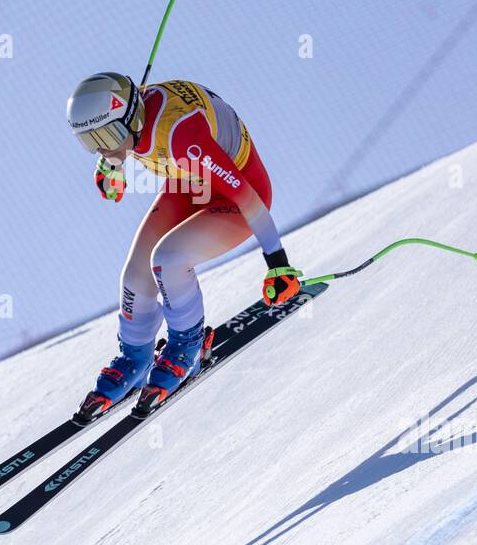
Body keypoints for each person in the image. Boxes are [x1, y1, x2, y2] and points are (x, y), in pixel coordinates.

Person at [65, 71, 302, 420]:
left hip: (237, 199)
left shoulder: (182, 135)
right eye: (92, 141)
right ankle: (135, 356)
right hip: (187, 183)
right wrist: (111, 164)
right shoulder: (130, 121)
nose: (105, 146)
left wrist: (278, 263)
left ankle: (186, 349)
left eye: (109, 136)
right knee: (135, 274)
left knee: (169, 260)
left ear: (131, 118)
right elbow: (118, 137)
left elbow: (248, 198)